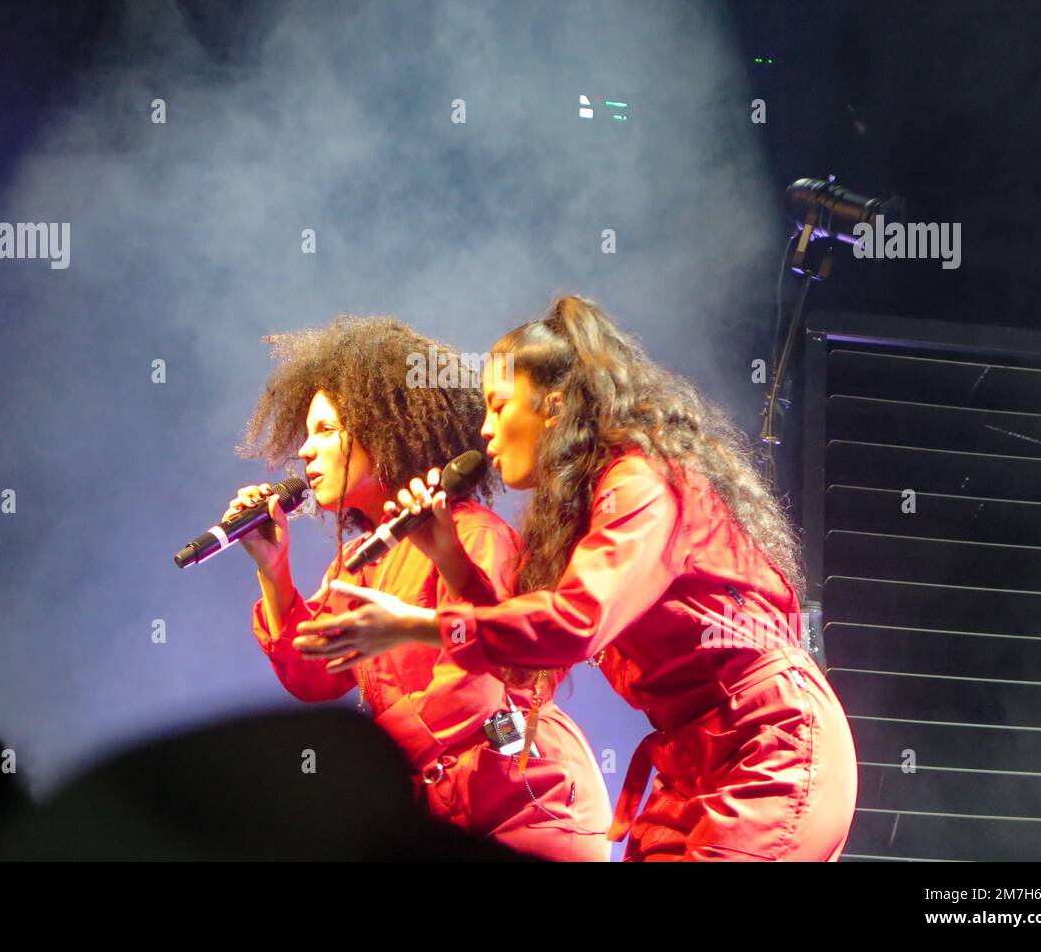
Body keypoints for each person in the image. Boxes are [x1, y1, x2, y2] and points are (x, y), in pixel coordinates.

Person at [296, 297, 859, 861]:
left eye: (498, 406)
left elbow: (575, 623)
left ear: (555, 405)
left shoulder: (641, 482)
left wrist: (416, 625)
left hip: (769, 742)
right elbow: (526, 665)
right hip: (693, 759)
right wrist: (451, 562)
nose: (485, 430)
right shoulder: (587, 509)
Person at [230, 315, 611, 861]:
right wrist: (273, 567)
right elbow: (314, 676)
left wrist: (365, 759)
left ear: (384, 429)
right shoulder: (358, 565)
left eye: (325, 430)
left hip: (526, 805)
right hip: (446, 816)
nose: (306, 452)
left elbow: (473, 691)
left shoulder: (472, 533)